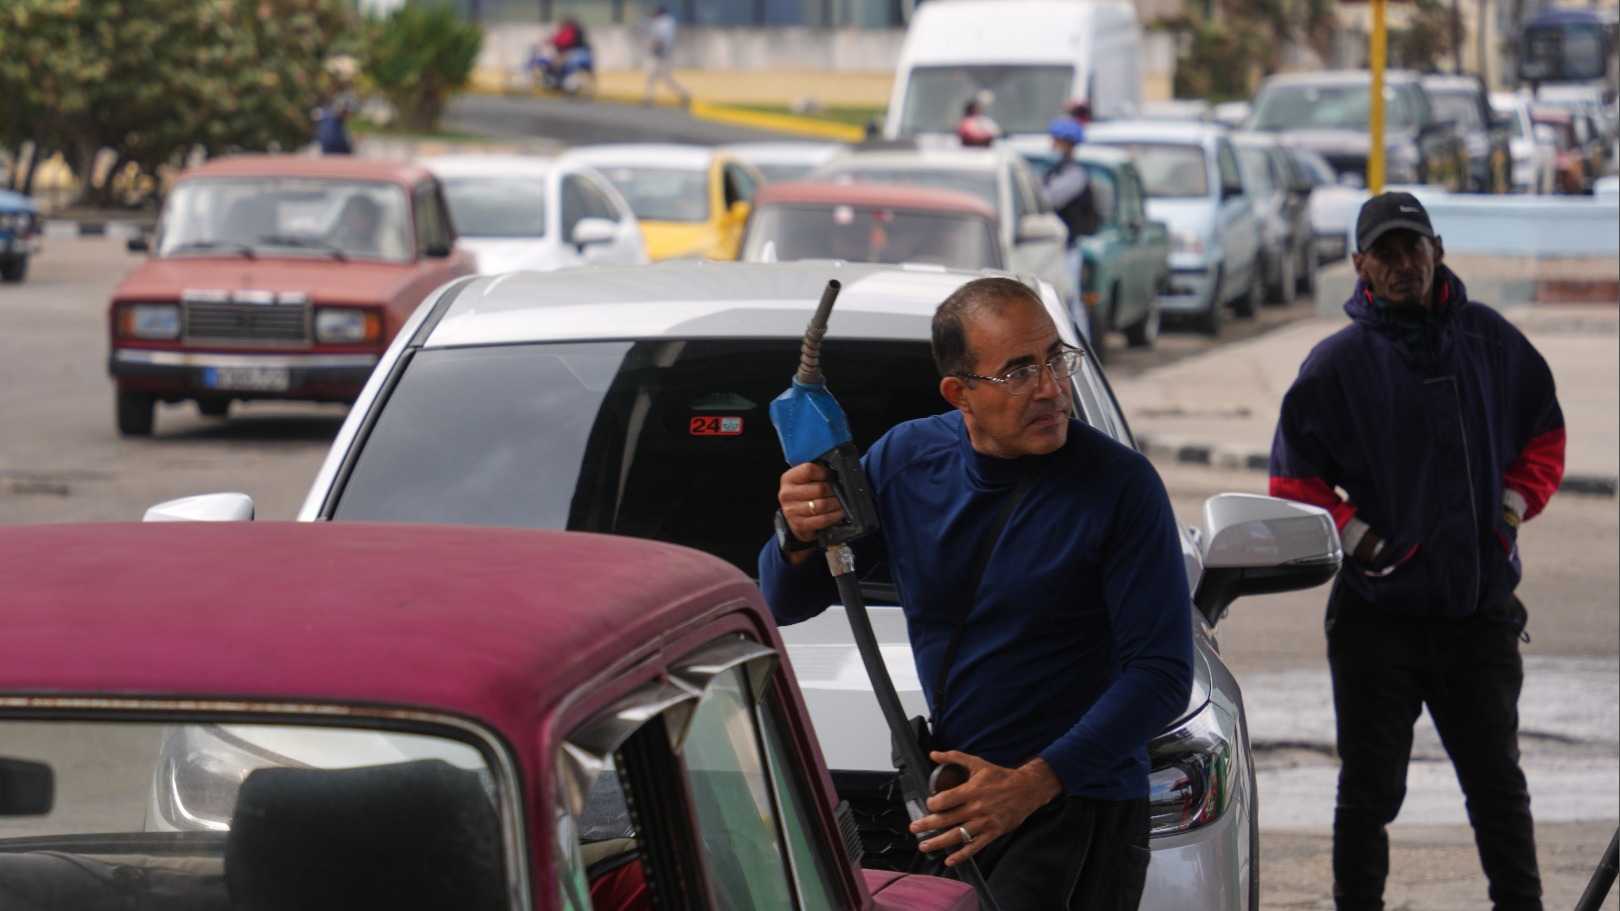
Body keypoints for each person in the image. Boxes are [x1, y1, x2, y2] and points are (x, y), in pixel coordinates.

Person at [758, 277, 1193, 910]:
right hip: (958, 804)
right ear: (958, 393)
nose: (1049, 388)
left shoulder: (1120, 486)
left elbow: (1160, 673)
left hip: (1079, 805)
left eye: (1054, 360)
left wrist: (1031, 785)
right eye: (1018, 372)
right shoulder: (906, 461)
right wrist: (796, 532)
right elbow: (784, 601)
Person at [1269, 192, 1565, 911]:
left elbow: (1544, 437)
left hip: (1479, 615)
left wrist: (1506, 514)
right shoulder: (1336, 365)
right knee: (1369, 791)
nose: (1404, 264)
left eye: (1414, 247)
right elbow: (1293, 478)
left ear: (1438, 249)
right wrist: (1364, 542)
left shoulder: (1494, 343)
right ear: (1360, 265)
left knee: (1498, 785)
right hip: (1379, 621)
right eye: (1387, 253)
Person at [1042, 117, 1098, 330]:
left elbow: (1049, 200)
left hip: (1068, 250)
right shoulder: (1055, 170)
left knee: (1071, 302)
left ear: (1068, 144)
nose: (1053, 145)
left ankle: (1082, 353)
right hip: (1055, 248)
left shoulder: (1075, 175)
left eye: (1057, 141)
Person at [642, 6, 690, 108]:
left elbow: (658, 36)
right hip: (666, 55)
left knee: (659, 79)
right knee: (658, 78)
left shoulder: (663, 23)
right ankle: (650, 99)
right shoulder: (670, 23)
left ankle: (683, 95)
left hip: (661, 56)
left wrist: (655, 48)